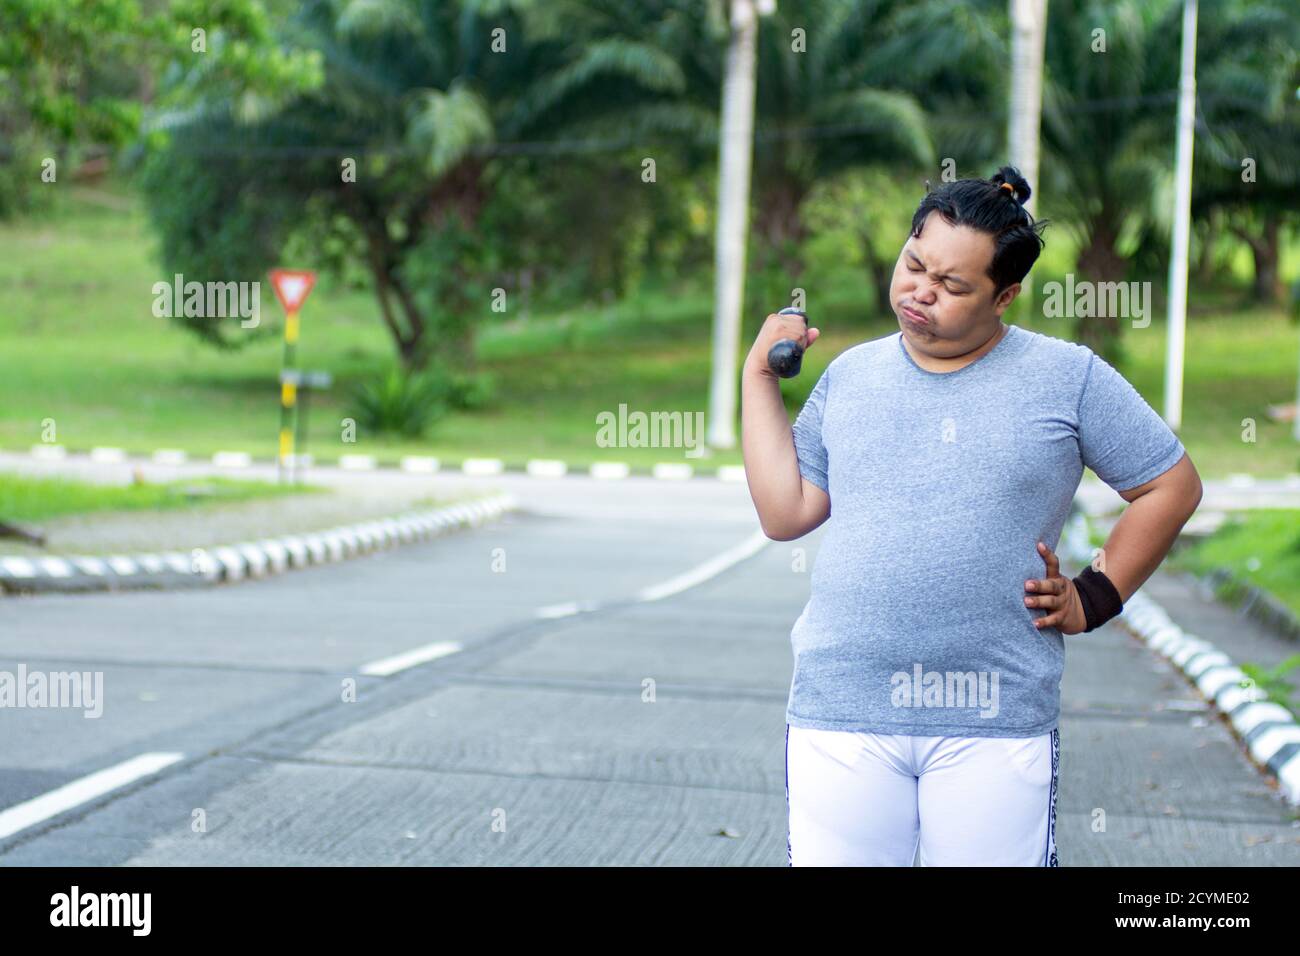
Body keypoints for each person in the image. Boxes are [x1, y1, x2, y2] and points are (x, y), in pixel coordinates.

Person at [740, 166, 1204, 866]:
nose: (921, 291)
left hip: (995, 716)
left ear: (1004, 295)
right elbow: (787, 512)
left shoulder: (1066, 377)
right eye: (913, 264)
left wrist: (1094, 596)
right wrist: (758, 379)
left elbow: (1171, 485)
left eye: (953, 286)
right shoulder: (852, 376)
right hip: (842, 706)